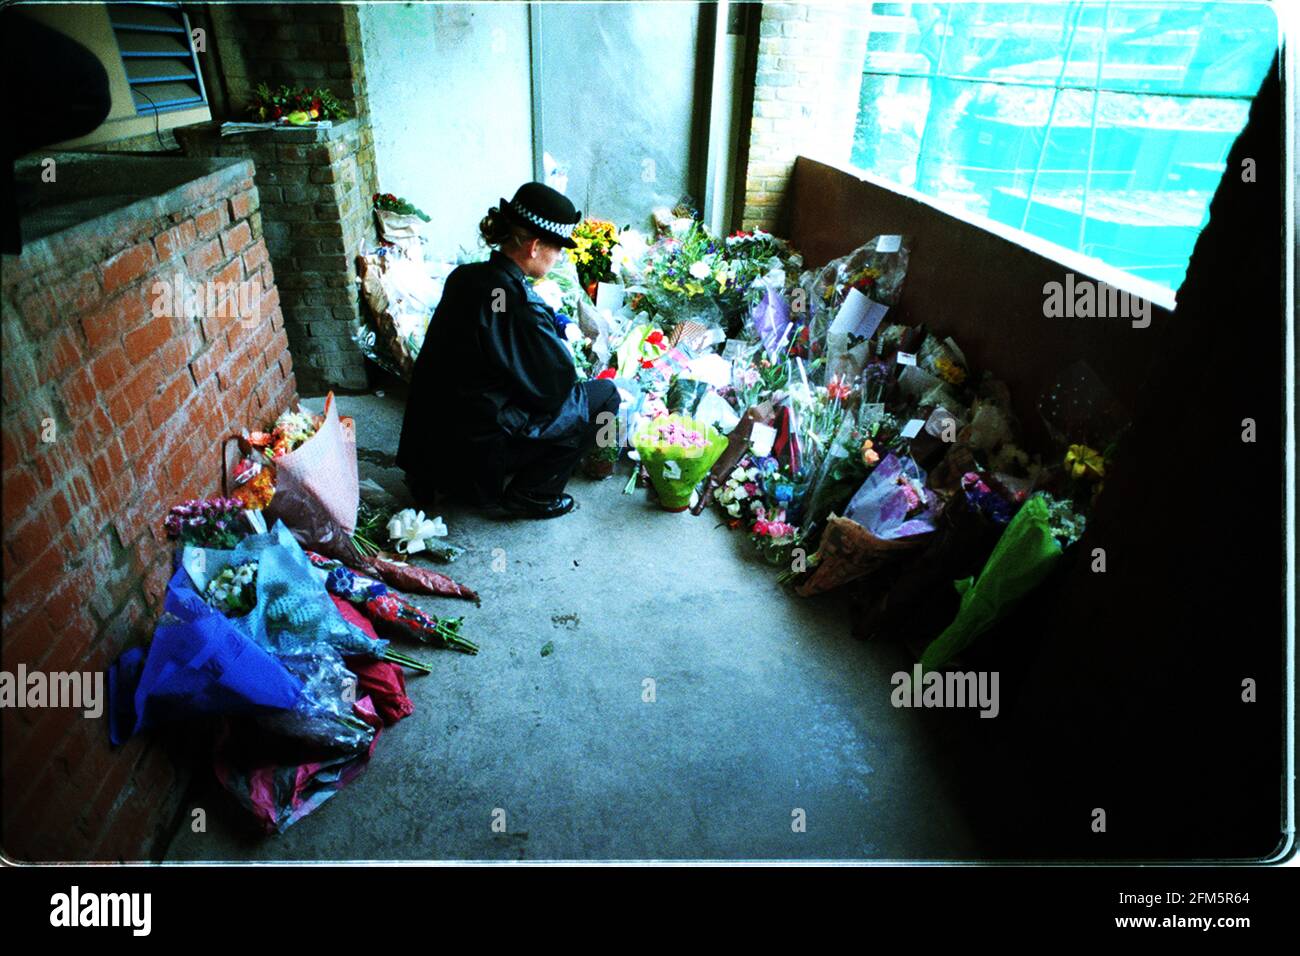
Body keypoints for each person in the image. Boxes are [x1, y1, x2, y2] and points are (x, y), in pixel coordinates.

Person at [397, 182, 620, 519]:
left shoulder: (465, 277)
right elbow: (555, 388)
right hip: (479, 445)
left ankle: (441, 478)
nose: (558, 257)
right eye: (557, 248)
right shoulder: (515, 303)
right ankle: (533, 493)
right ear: (533, 246)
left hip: (430, 446)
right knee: (604, 395)